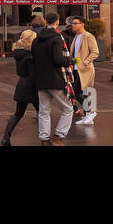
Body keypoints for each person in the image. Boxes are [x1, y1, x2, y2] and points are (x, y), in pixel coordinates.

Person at [31, 12, 75, 145]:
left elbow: (34, 59)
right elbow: (58, 59)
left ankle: (44, 139)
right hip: (55, 79)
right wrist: (71, 60)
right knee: (68, 109)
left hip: (40, 80)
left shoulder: (36, 39)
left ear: (46, 22)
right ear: (57, 22)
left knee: (44, 111)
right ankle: (58, 136)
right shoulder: (57, 38)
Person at [0, 30, 40, 146]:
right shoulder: (31, 56)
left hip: (22, 84)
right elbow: (34, 74)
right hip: (32, 87)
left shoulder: (19, 53)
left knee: (18, 113)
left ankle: (5, 138)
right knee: (42, 113)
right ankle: (46, 138)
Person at [68, 17, 99, 125]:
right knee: (81, 92)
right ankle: (88, 116)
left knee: (77, 92)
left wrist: (85, 62)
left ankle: (91, 112)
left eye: (76, 23)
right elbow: (76, 53)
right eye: (73, 23)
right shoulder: (76, 36)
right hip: (77, 69)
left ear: (82, 24)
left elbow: (95, 52)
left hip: (85, 69)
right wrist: (73, 63)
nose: (73, 25)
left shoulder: (88, 36)